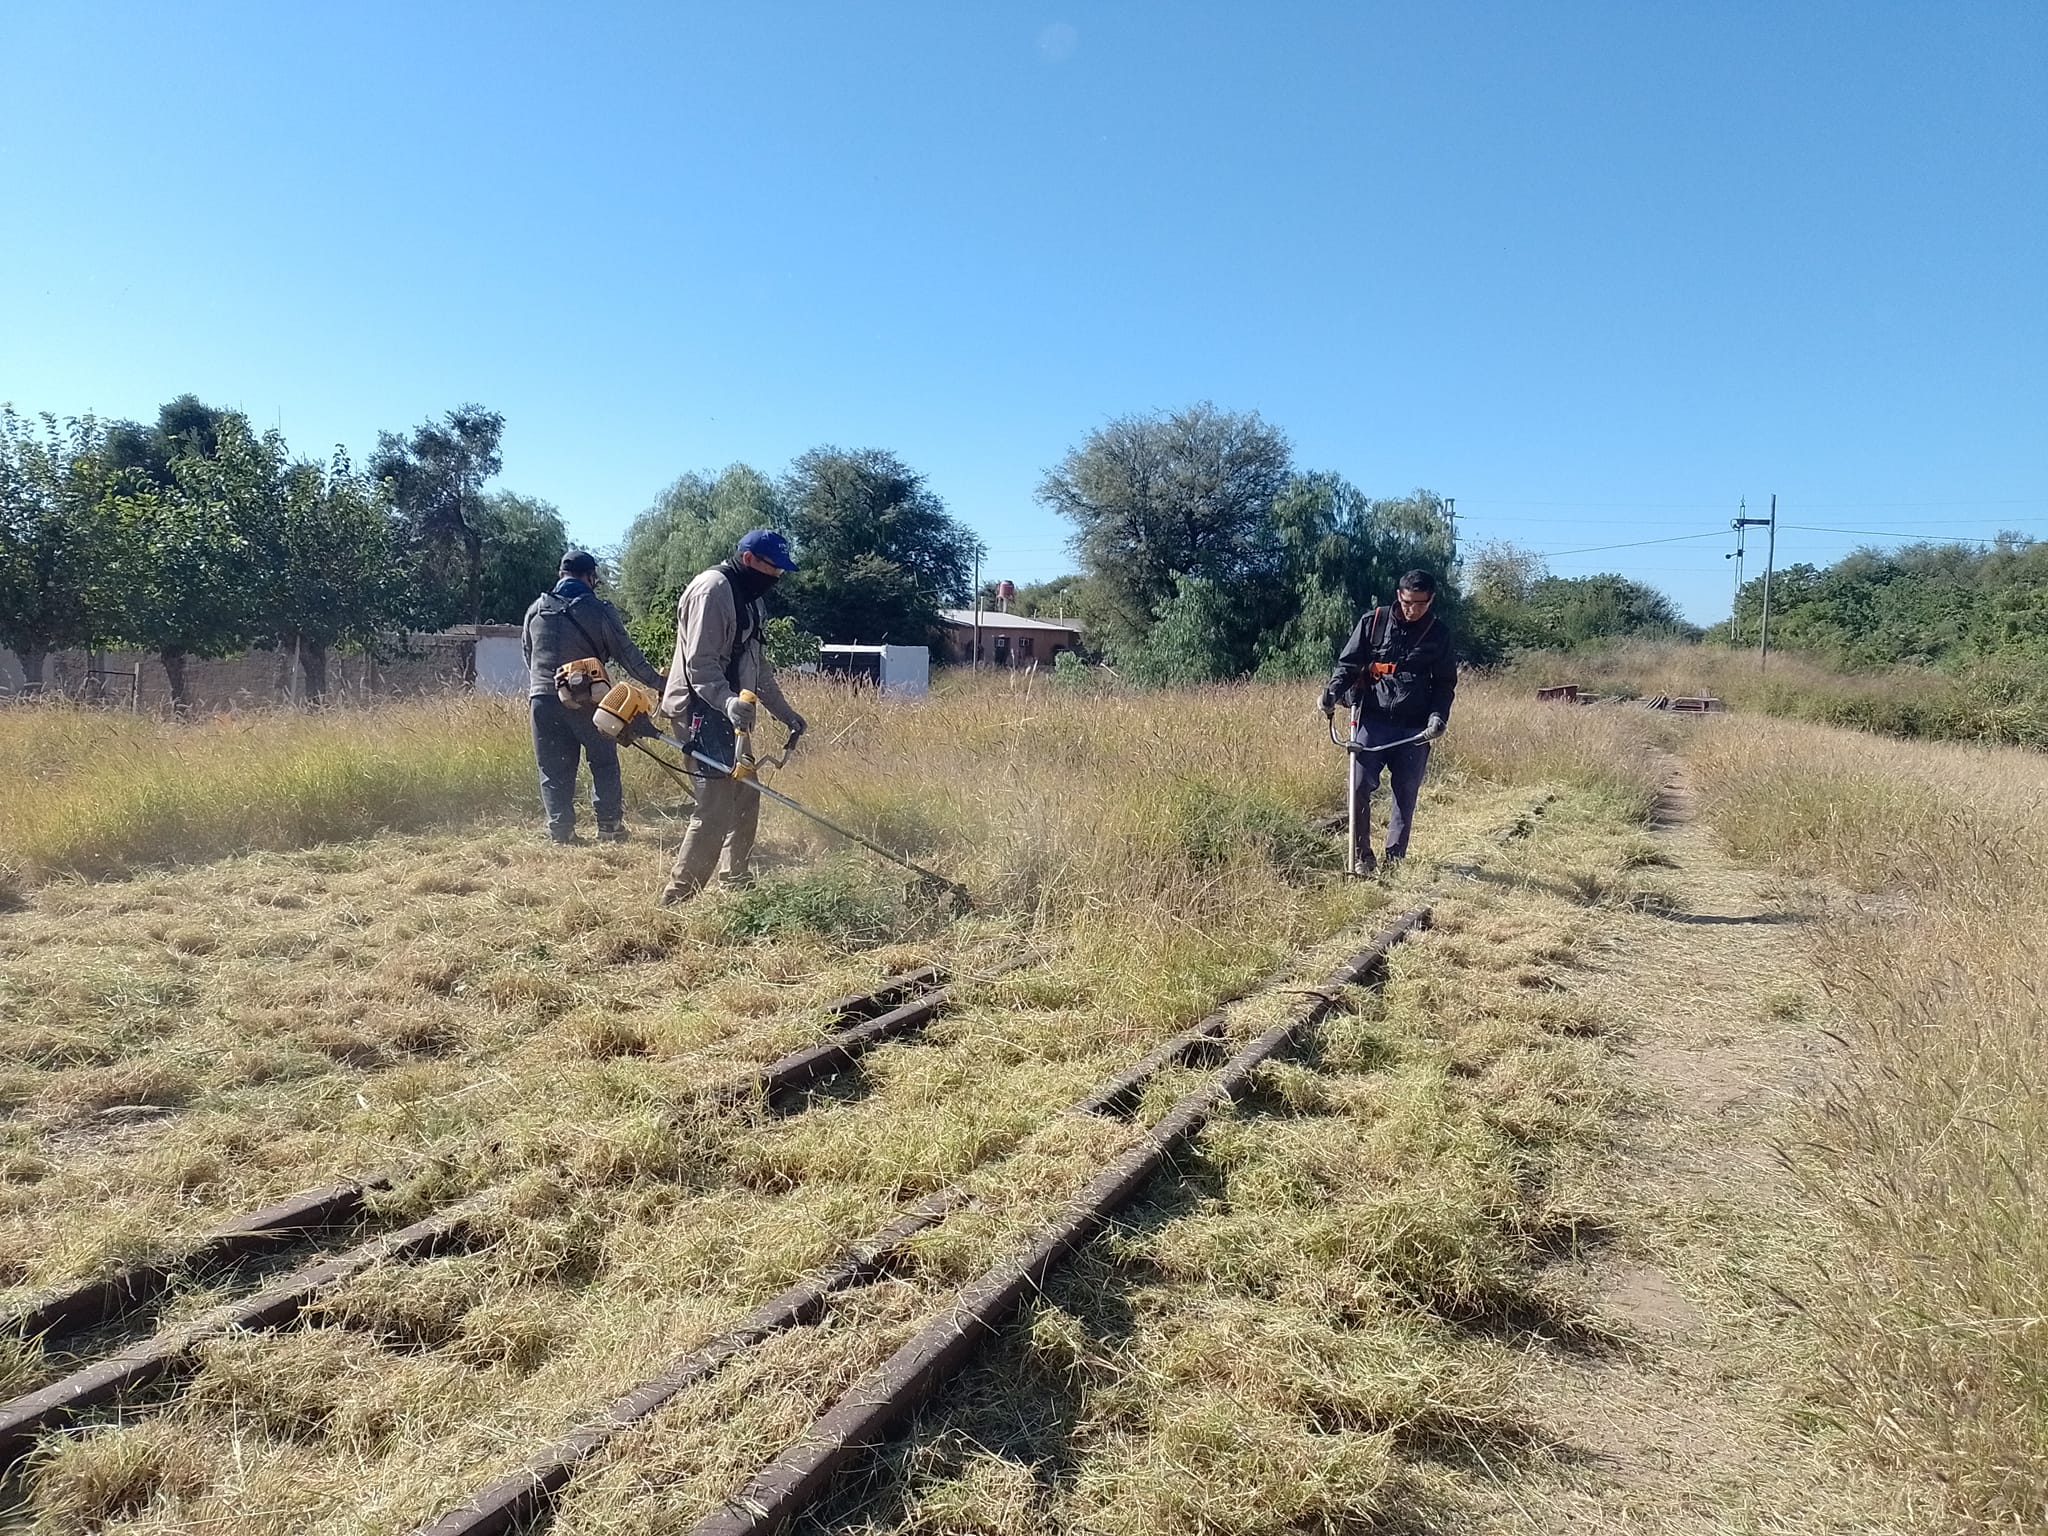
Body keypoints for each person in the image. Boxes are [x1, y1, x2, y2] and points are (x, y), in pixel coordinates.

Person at [659, 528, 808, 904]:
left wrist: (785, 713)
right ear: (748, 560)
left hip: (728, 714)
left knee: (747, 795)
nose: (776, 578)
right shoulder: (712, 590)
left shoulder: (752, 600)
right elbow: (701, 666)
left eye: (781, 572)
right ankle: (678, 898)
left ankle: (735, 878)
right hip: (700, 709)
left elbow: (758, 669)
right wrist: (726, 703)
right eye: (772, 569)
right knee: (715, 806)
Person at [522, 549, 668, 844]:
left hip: (541, 699)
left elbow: (528, 654)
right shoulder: (599, 610)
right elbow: (629, 657)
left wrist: (547, 686)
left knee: (552, 768)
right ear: (591, 577)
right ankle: (609, 828)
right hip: (589, 699)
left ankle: (561, 832)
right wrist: (662, 683)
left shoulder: (535, 609)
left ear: (561, 575)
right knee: (603, 762)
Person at [1320, 569, 1458, 876]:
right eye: (1408, 602)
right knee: (1357, 786)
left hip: (1414, 729)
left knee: (1405, 793)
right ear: (1399, 596)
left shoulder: (1439, 634)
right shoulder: (1373, 622)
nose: (1413, 609)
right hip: (1372, 720)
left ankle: (1395, 861)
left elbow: (1445, 684)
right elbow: (1348, 665)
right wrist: (1332, 692)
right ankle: (1362, 856)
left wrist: (1438, 717)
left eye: (1421, 604)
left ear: (1431, 600)